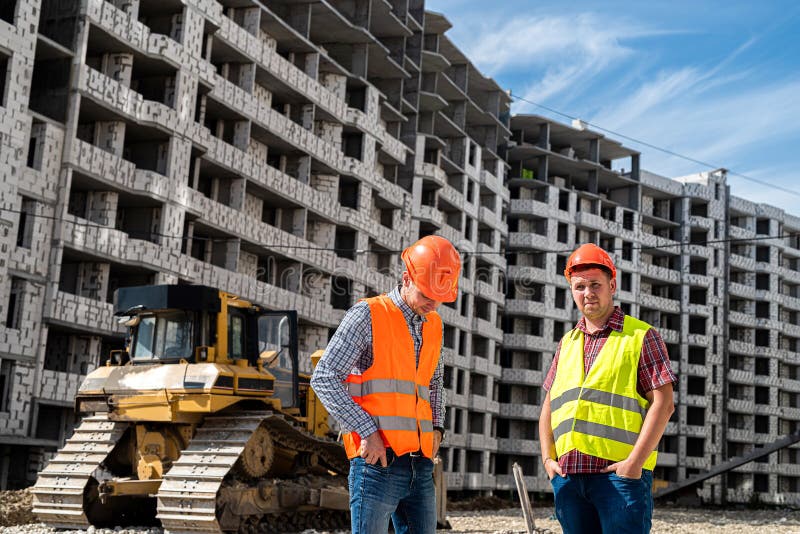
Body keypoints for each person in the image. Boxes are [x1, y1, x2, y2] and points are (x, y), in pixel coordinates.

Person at [311, 235, 460, 534]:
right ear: (406, 278)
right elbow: (324, 377)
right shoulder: (368, 314)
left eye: (440, 297)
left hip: (420, 465)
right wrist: (367, 431)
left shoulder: (434, 325)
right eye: (427, 294)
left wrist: (437, 430)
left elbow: (434, 382)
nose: (433, 303)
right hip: (377, 464)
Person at [539, 243, 677, 534]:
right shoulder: (567, 343)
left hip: (619, 478)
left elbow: (664, 404)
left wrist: (633, 464)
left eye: (595, 284)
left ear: (612, 285)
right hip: (569, 479)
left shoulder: (641, 336)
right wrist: (548, 459)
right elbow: (550, 405)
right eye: (579, 286)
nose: (587, 293)